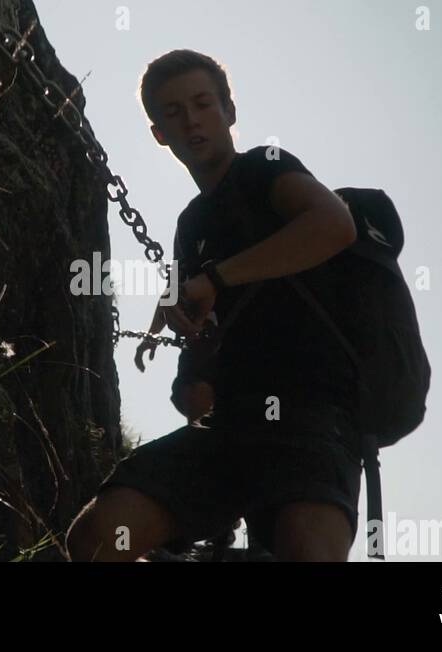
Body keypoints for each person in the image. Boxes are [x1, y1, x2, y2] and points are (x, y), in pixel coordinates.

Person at [67, 49, 363, 562]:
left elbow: (335, 225)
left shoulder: (265, 168)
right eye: (173, 112)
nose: (191, 120)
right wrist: (190, 357)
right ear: (159, 134)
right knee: (97, 538)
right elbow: (203, 357)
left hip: (314, 419)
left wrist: (216, 278)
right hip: (228, 426)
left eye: (203, 103)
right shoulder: (191, 224)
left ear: (229, 110)